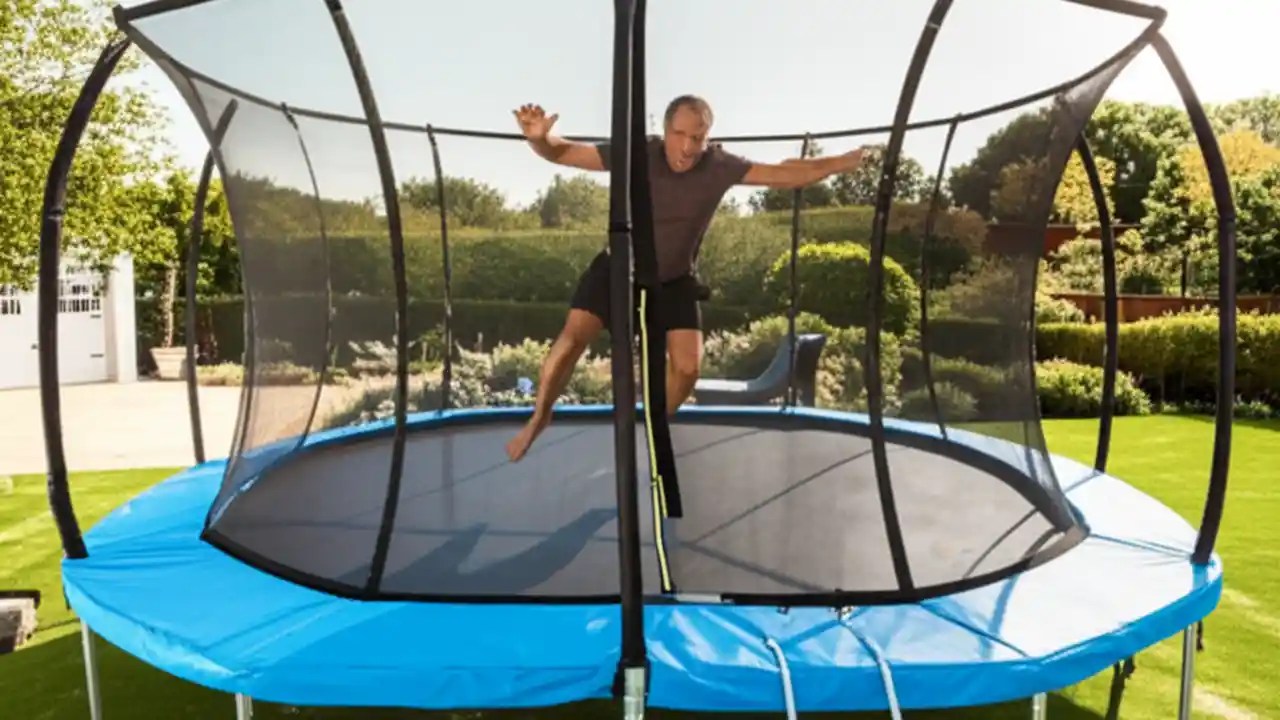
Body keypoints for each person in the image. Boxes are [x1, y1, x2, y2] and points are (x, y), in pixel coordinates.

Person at [505, 95, 866, 461]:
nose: (688, 147)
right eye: (680, 134)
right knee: (570, 342)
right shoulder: (638, 154)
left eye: (698, 137)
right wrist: (539, 139)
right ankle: (540, 416)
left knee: (688, 369)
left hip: (674, 280)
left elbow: (785, 173)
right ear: (665, 131)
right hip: (618, 270)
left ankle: (653, 425)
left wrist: (839, 163)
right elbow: (565, 153)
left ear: (708, 136)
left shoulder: (718, 166)